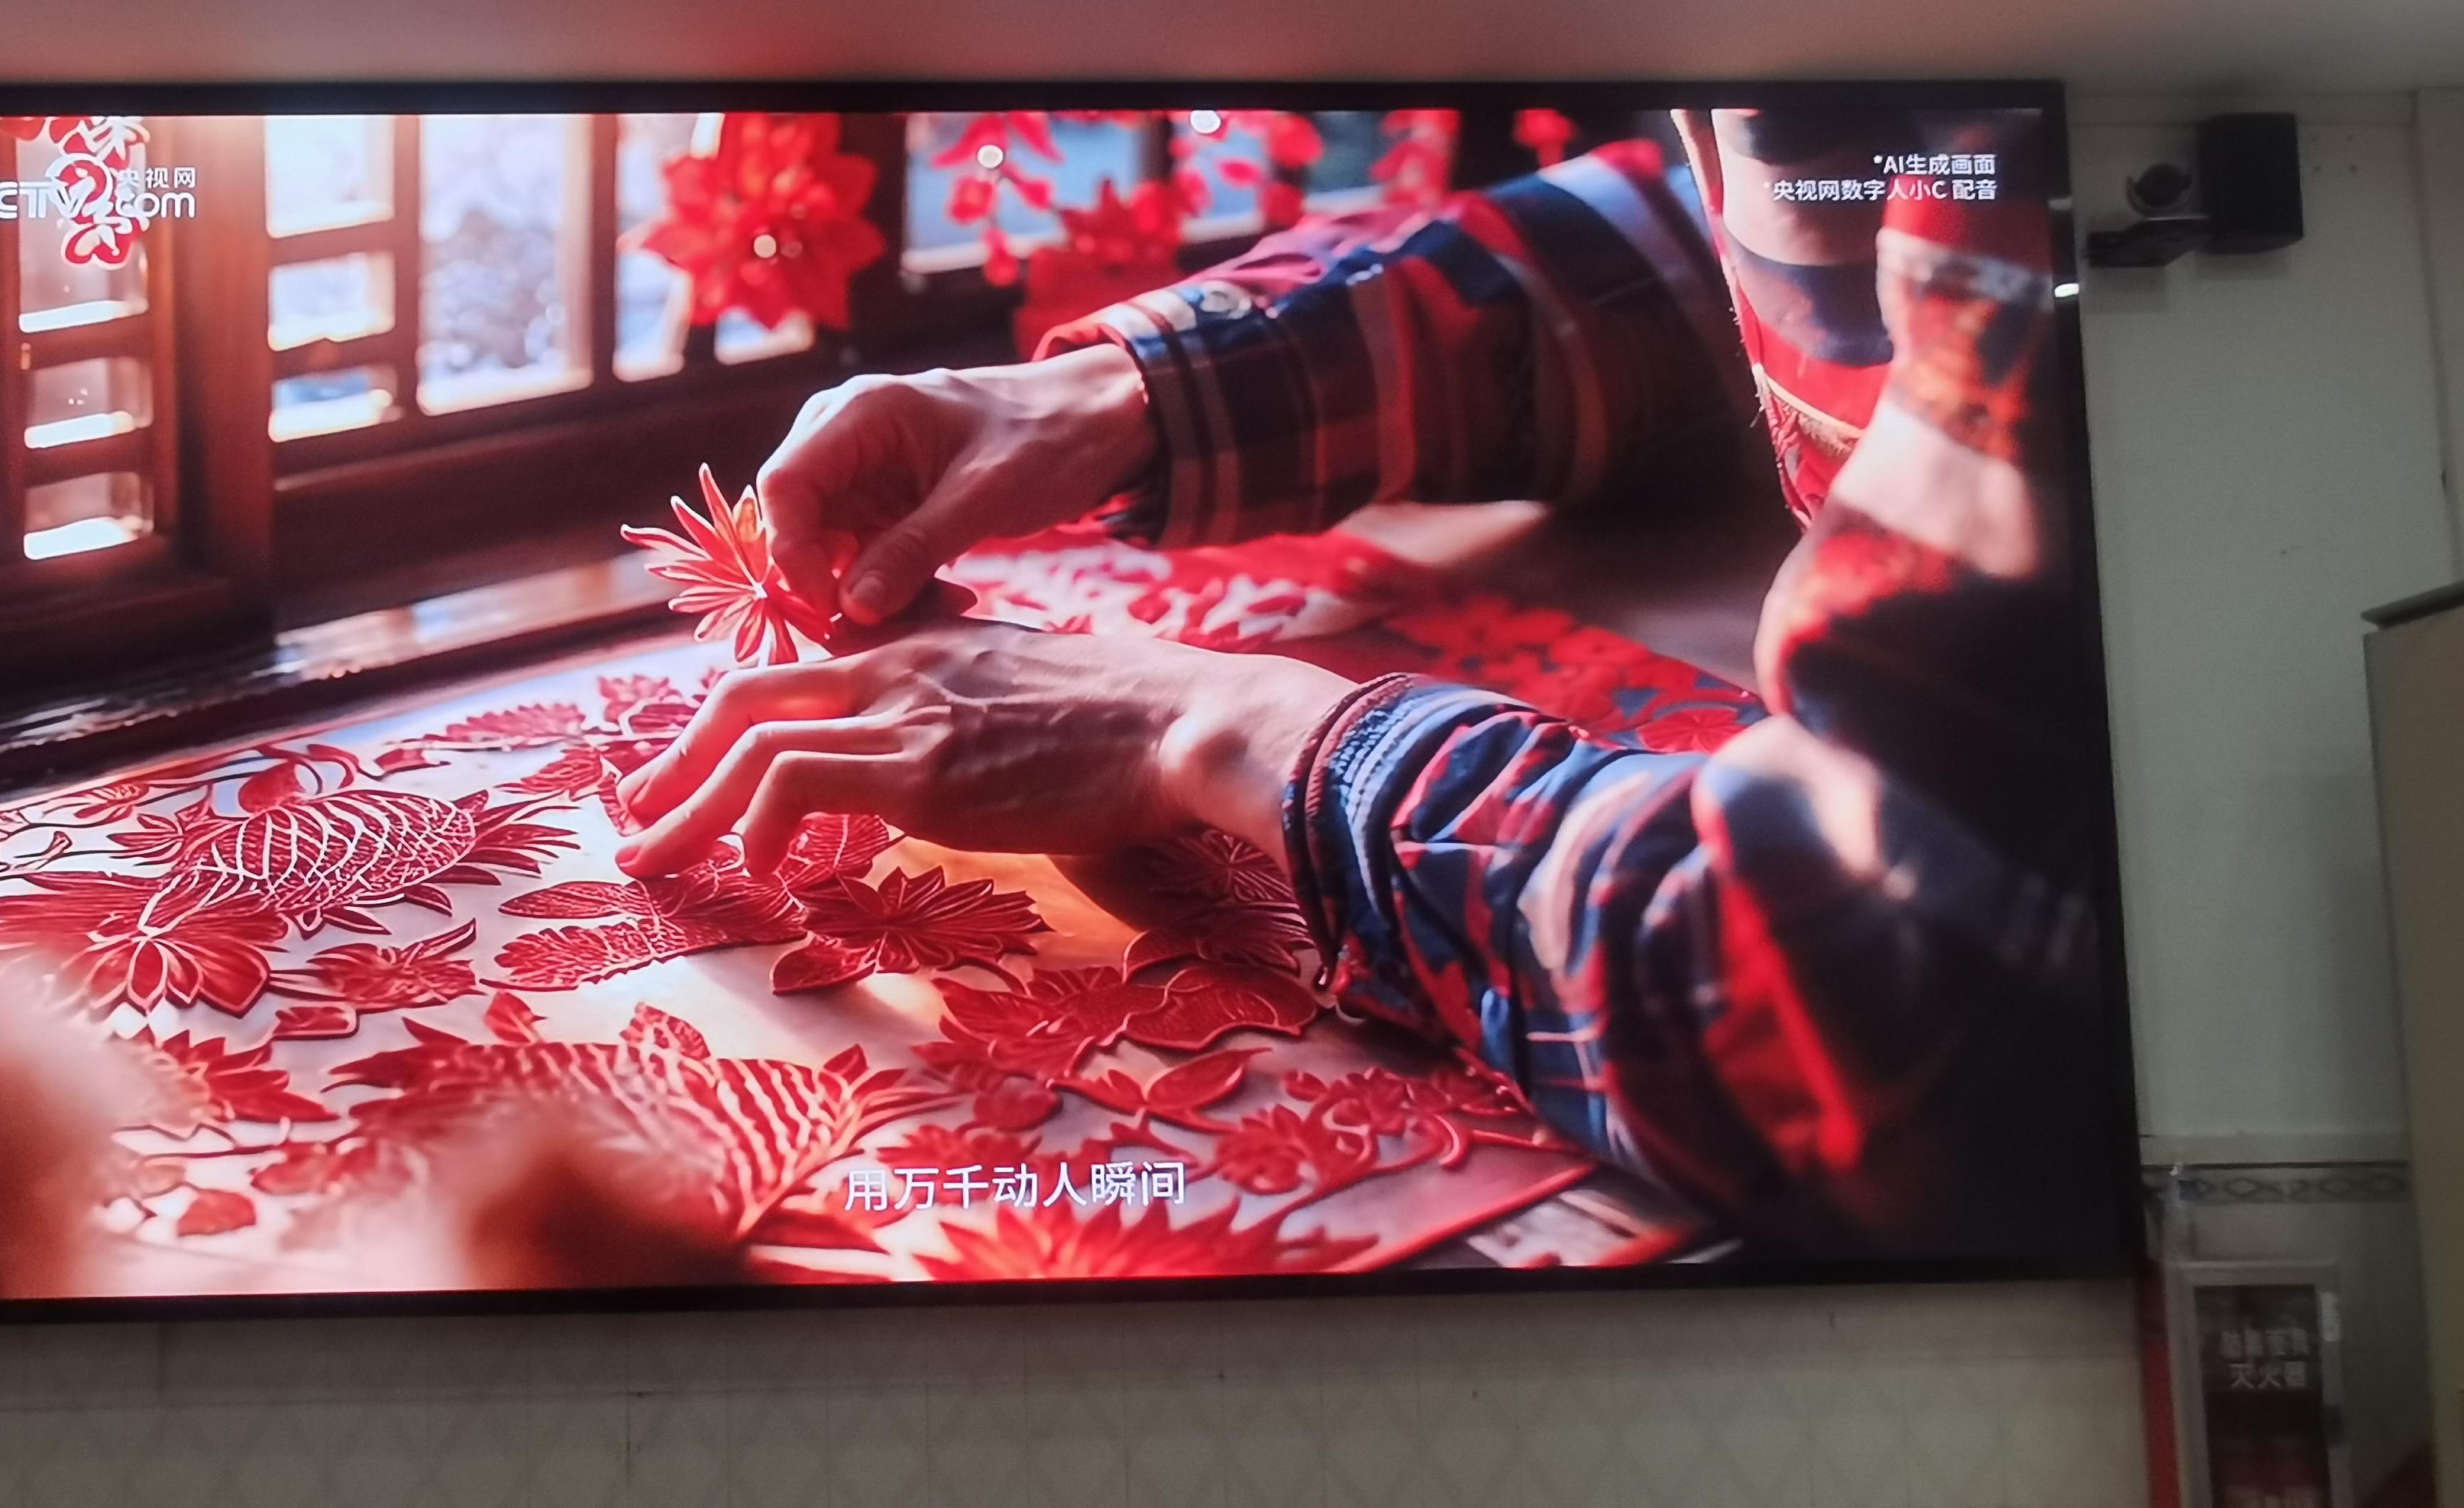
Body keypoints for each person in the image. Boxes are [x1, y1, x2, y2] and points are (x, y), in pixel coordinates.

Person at [614, 110, 2125, 1260]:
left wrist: (1225, 723)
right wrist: (1126, 393)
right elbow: (1758, 223)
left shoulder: (2052, 155)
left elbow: (1873, 1005)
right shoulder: (1912, 128)